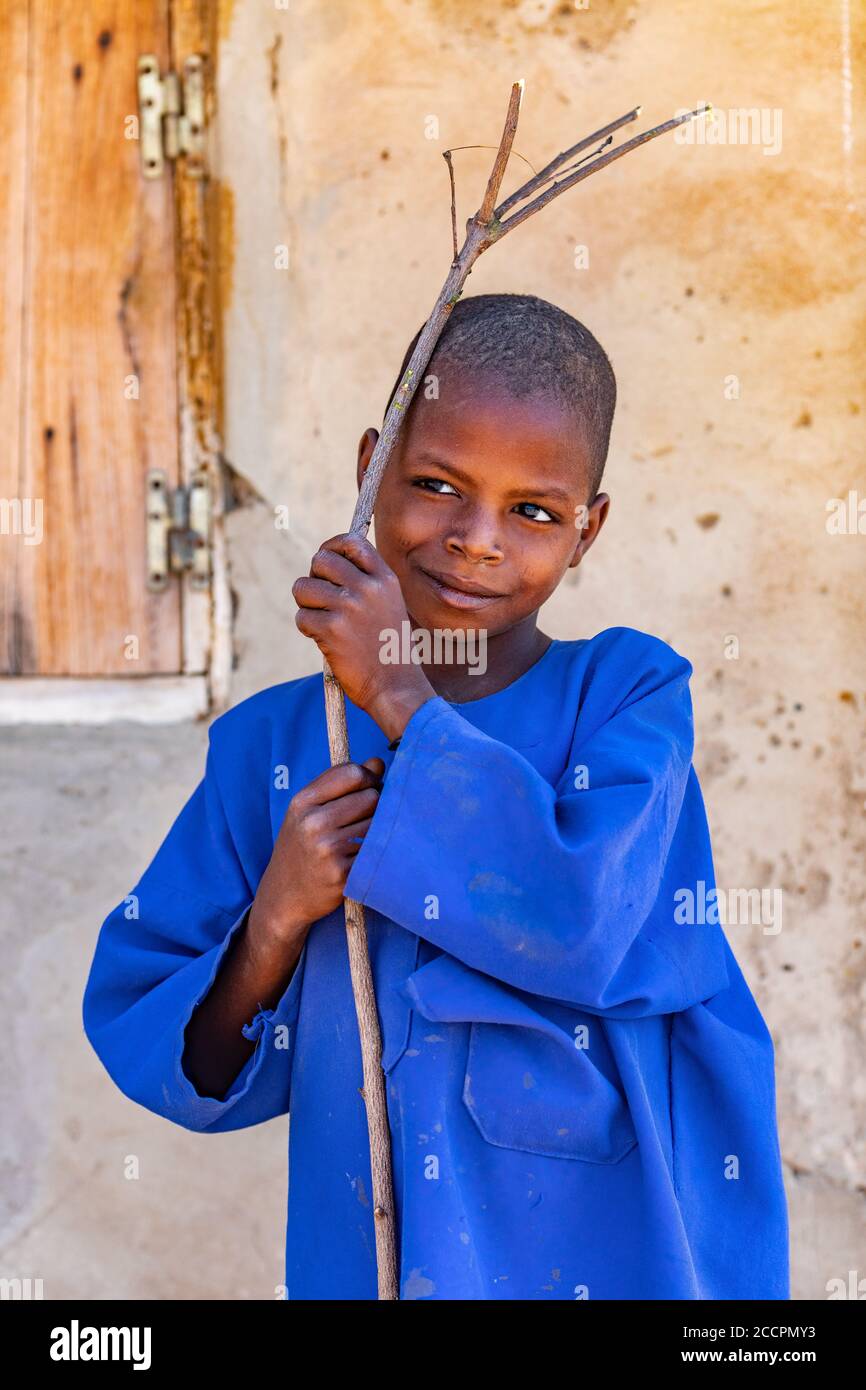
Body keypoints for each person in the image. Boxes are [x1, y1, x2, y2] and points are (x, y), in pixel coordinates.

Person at [82, 293, 790, 1299]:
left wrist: (400, 693)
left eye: (532, 511)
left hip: (612, 1255)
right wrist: (275, 920)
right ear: (372, 464)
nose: (475, 539)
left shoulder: (627, 698)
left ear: (585, 530)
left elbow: (576, 919)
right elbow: (168, 1044)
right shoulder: (277, 748)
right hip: (369, 1261)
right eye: (434, 484)